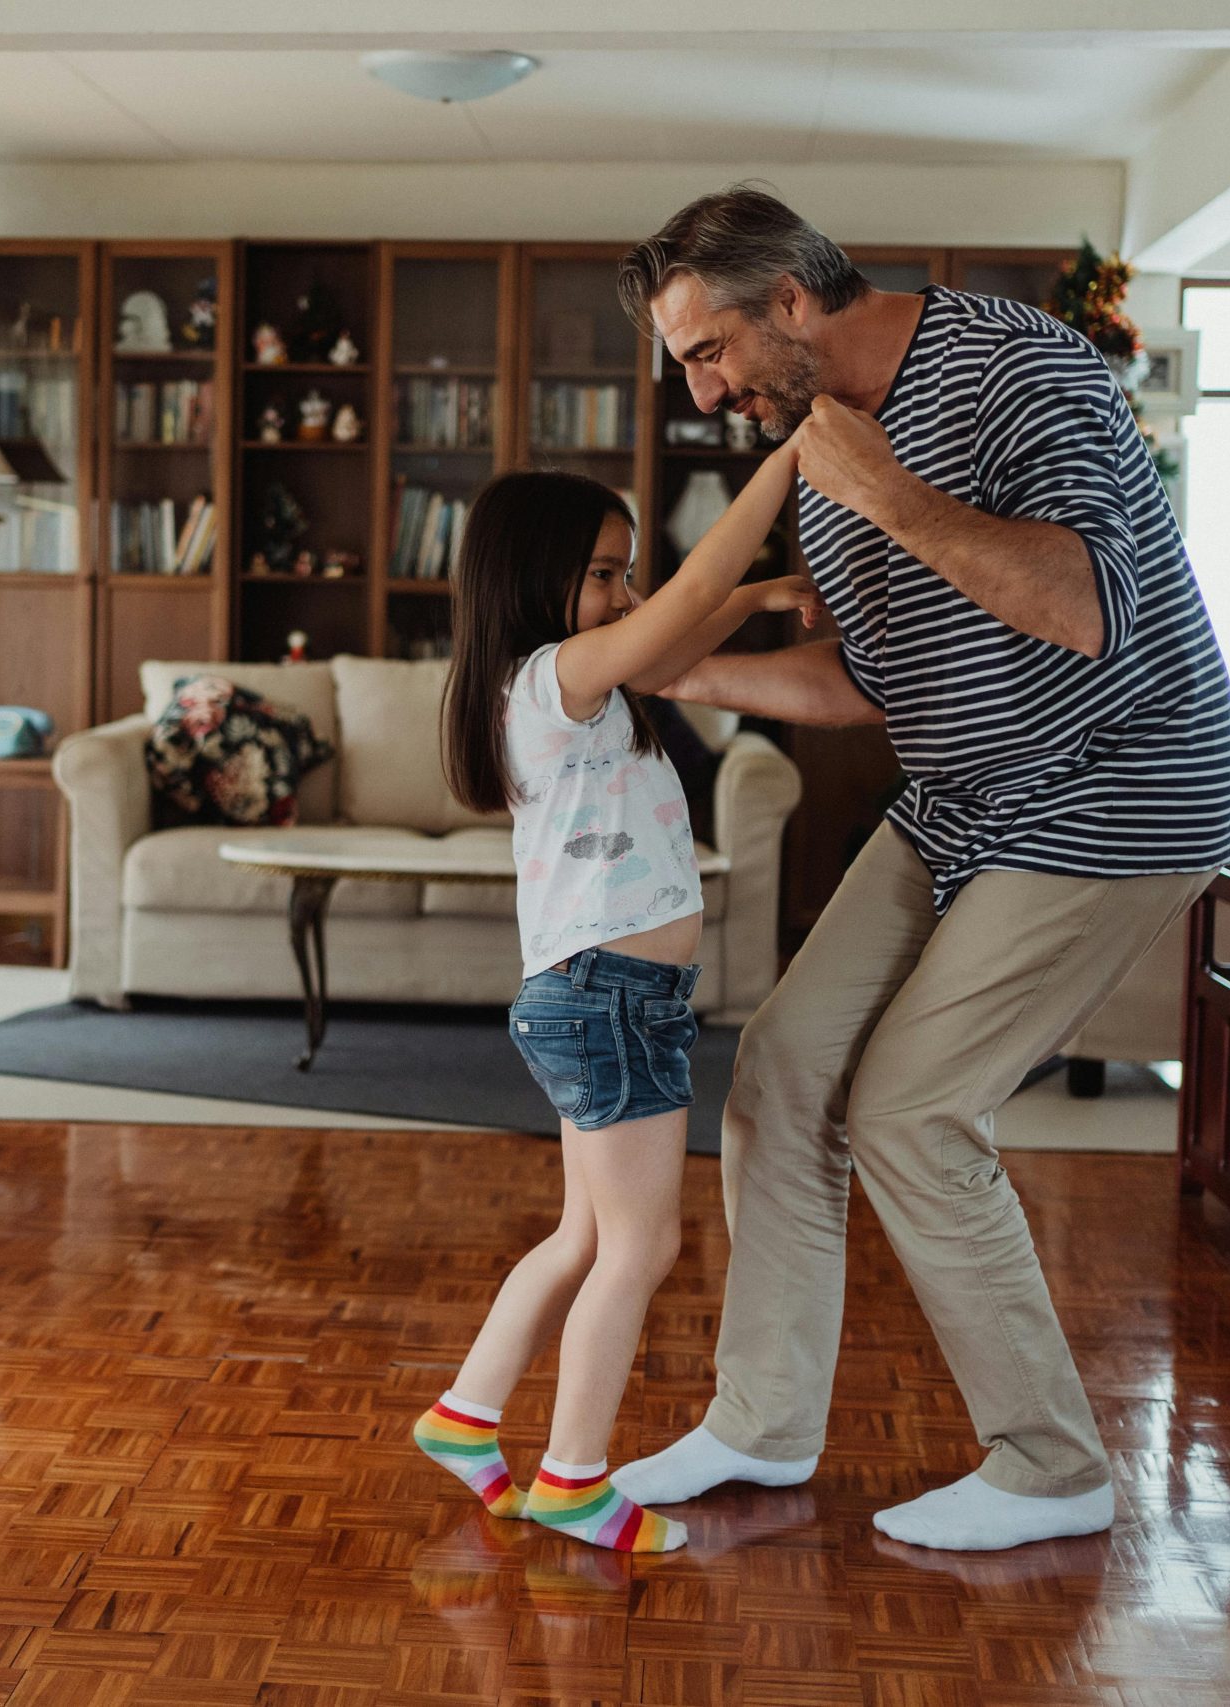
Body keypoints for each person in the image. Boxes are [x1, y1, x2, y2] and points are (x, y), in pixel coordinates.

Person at [604, 185, 1230, 1552]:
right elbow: (876, 679)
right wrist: (670, 672)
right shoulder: (811, 451)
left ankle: (1054, 1458)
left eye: (708, 351)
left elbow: (1081, 604)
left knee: (908, 1106)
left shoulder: (1016, 363)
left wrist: (885, 489)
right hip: (965, 793)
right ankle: (762, 1423)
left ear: (788, 300)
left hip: (1118, 787)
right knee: (778, 1069)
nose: (705, 392)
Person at [413, 461, 821, 1552]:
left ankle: (467, 1416)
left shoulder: (554, 679)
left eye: (627, 572)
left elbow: (679, 627)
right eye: (602, 574)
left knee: (585, 1234)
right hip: (611, 999)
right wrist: (782, 469)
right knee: (640, 1250)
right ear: (534, 579)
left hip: (588, 997)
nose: (625, 594)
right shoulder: (555, 676)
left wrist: (759, 598)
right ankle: (575, 1479)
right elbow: (674, 621)